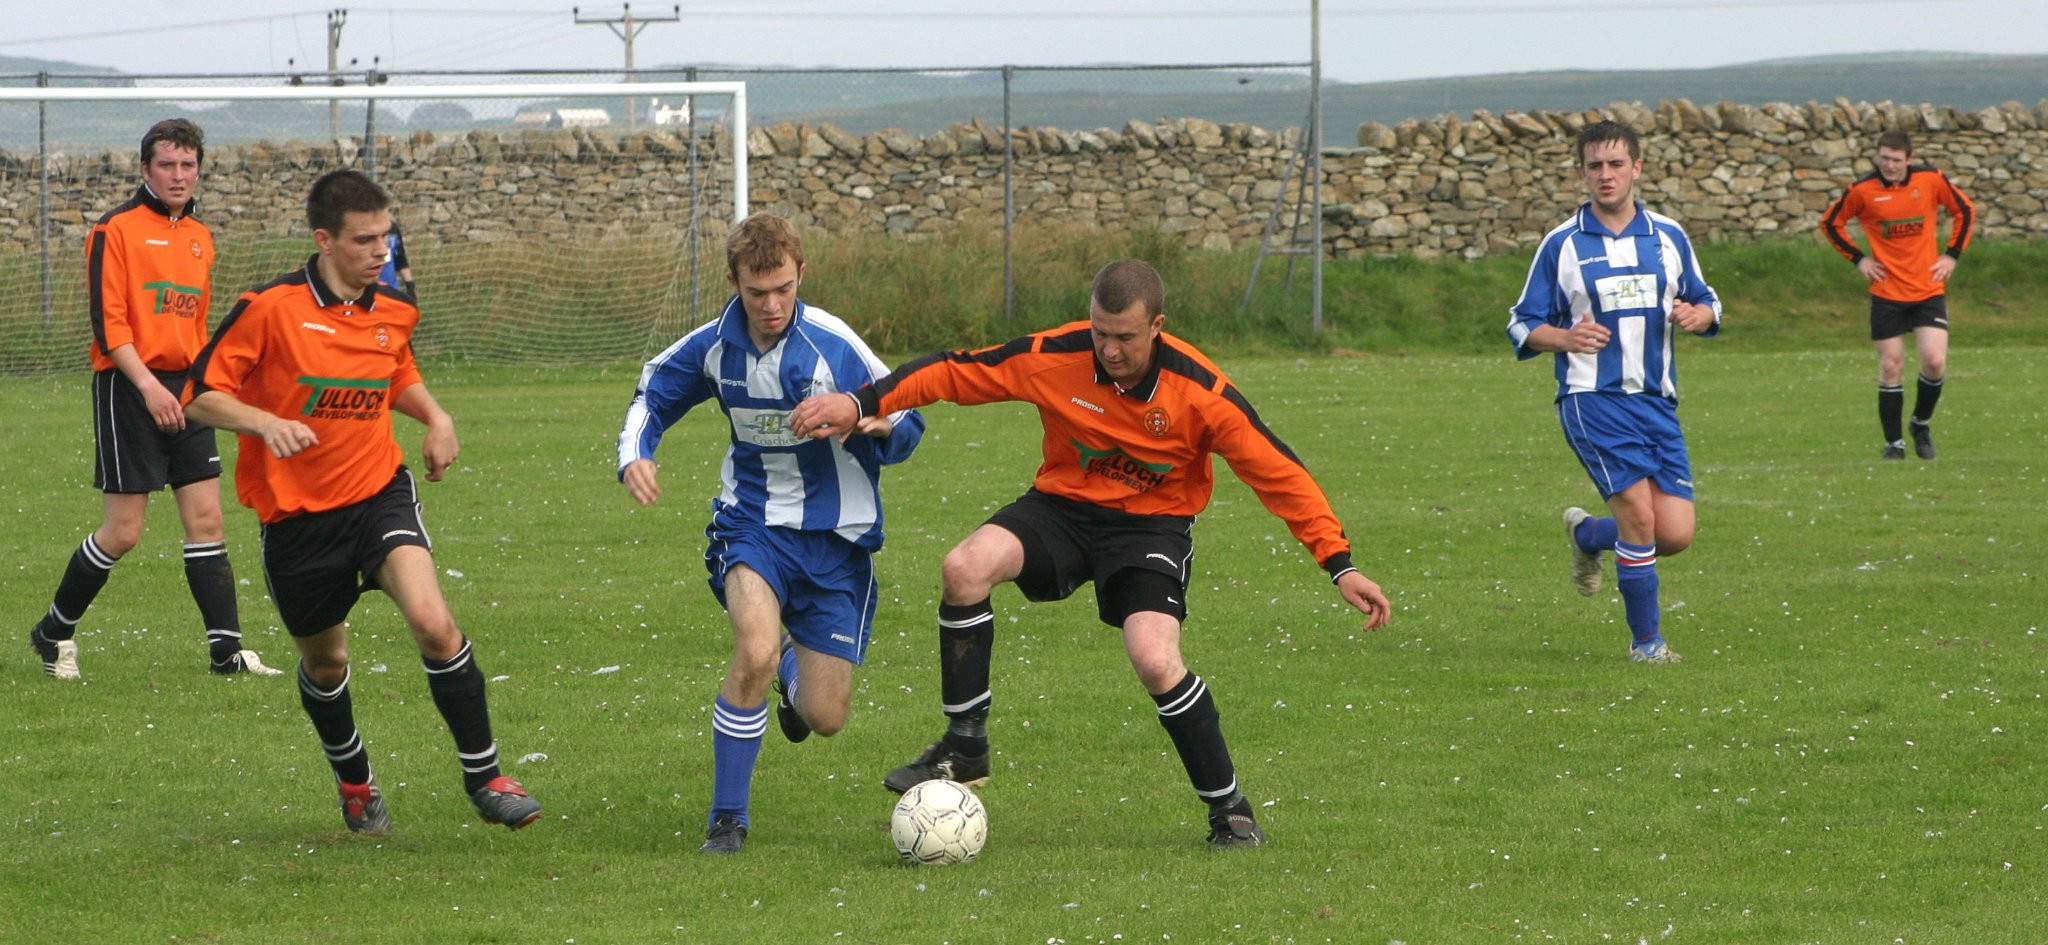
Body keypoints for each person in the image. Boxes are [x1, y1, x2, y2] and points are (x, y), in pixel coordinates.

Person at [788, 259, 1391, 849]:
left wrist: (1338, 562)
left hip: (1150, 530)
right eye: (1100, 333)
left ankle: (1228, 809)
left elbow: (1277, 471)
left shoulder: (1200, 392)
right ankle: (964, 742)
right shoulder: (1057, 355)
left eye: (1124, 337)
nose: (1108, 349)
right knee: (964, 567)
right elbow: (955, 372)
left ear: (1158, 325)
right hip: (1063, 510)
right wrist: (864, 402)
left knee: (1155, 660)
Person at [183, 169, 541, 835]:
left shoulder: (394, 304)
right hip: (297, 519)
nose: (381, 250)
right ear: (324, 239)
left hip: (379, 492)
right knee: (328, 662)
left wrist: (436, 417)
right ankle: (354, 781)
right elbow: (200, 392)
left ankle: (486, 774)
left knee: (434, 622)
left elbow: (394, 367)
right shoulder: (269, 306)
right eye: (365, 239)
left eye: (387, 235)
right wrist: (263, 422)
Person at [616, 212, 924, 854]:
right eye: (757, 292)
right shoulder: (713, 345)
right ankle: (727, 821)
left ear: (800, 275)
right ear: (734, 283)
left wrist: (876, 423)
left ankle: (793, 665)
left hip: (838, 545)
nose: (772, 304)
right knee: (750, 652)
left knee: (825, 717)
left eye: (783, 288)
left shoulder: (834, 344)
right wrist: (635, 453)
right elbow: (653, 394)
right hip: (751, 526)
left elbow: (910, 413)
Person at [26, 118, 279, 680]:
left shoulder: (200, 237)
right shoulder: (114, 229)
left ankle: (226, 652)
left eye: (188, 165)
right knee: (124, 531)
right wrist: (146, 386)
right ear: (145, 169)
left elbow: (197, 323)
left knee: (207, 517)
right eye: (167, 164)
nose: (178, 175)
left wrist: (202, 385)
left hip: (188, 389)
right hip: (128, 384)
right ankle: (53, 632)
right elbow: (106, 322)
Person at [1507, 119, 1722, 665]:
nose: (1606, 175)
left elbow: (1708, 300)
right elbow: (1521, 323)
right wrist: (1565, 336)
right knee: (1641, 520)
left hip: (1656, 402)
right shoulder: (1563, 244)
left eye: (1616, 164)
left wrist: (1700, 314)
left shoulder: (1668, 236)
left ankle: (1587, 536)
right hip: (1592, 400)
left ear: (1637, 168)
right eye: (1595, 166)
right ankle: (1647, 644)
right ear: (1582, 173)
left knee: (1673, 534)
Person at [1821, 129, 1976, 460]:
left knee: (1934, 361)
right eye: (1884, 158)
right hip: (1887, 292)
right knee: (1891, 365)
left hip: (1927, 289)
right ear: (1877, 156)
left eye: (1895, 159)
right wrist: (1860, 259)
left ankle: (1920, 423)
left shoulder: (1930, 180)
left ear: (1908, 159)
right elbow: (1831, 223)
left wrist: (1951, 255)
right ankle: (1894, 444)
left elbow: (1965, 210)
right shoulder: (1862, 190)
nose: (1889, 165)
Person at [378, 217, 415, 298]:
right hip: (371, 292)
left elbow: (400, 258)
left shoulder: (392, 228)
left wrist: (410, 286)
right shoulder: (363, 228)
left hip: (392, 290)